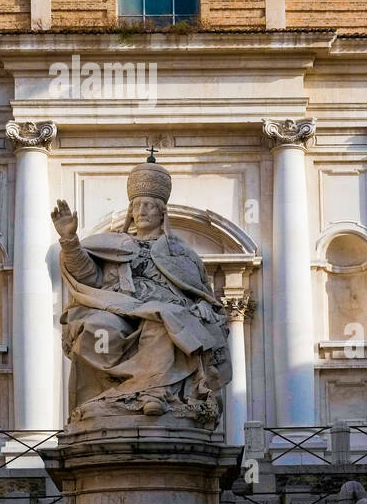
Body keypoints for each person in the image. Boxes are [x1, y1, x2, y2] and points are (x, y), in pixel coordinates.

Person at [50, 160, 231, 424]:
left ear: (162, 213)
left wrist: (205, 306)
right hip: (118, 307)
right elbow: (88, 277)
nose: (142, 211)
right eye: (137, 206)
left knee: (163, 320)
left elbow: (202, 294)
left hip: (167, 311)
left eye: (149, 206)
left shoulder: (181, 253)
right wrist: (69, 240)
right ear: (131, 212)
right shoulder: (115, 245)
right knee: (95, 328)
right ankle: (102, 402)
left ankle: (154, 393)